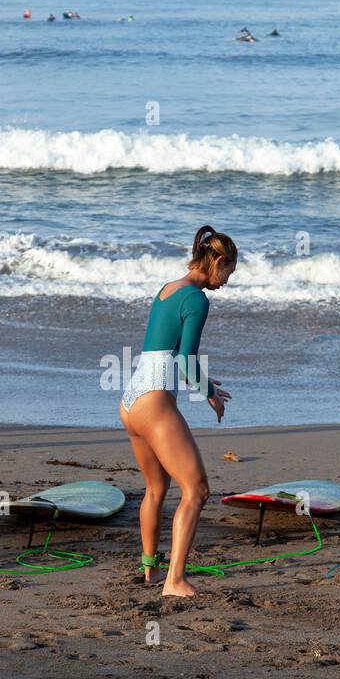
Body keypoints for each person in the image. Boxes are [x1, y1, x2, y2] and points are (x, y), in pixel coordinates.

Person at [119, 226, 235, 598]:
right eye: (229, 271)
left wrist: (208, 383)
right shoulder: (198, 300)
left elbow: (161, 353)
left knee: (156, 488)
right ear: (217, 261)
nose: (226, 281)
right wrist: (209, 395)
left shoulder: (168, 288)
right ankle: (175, 581)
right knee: (197, 489)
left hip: (130, 400)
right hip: (154, 404)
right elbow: (185, 359)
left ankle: (151, 569)